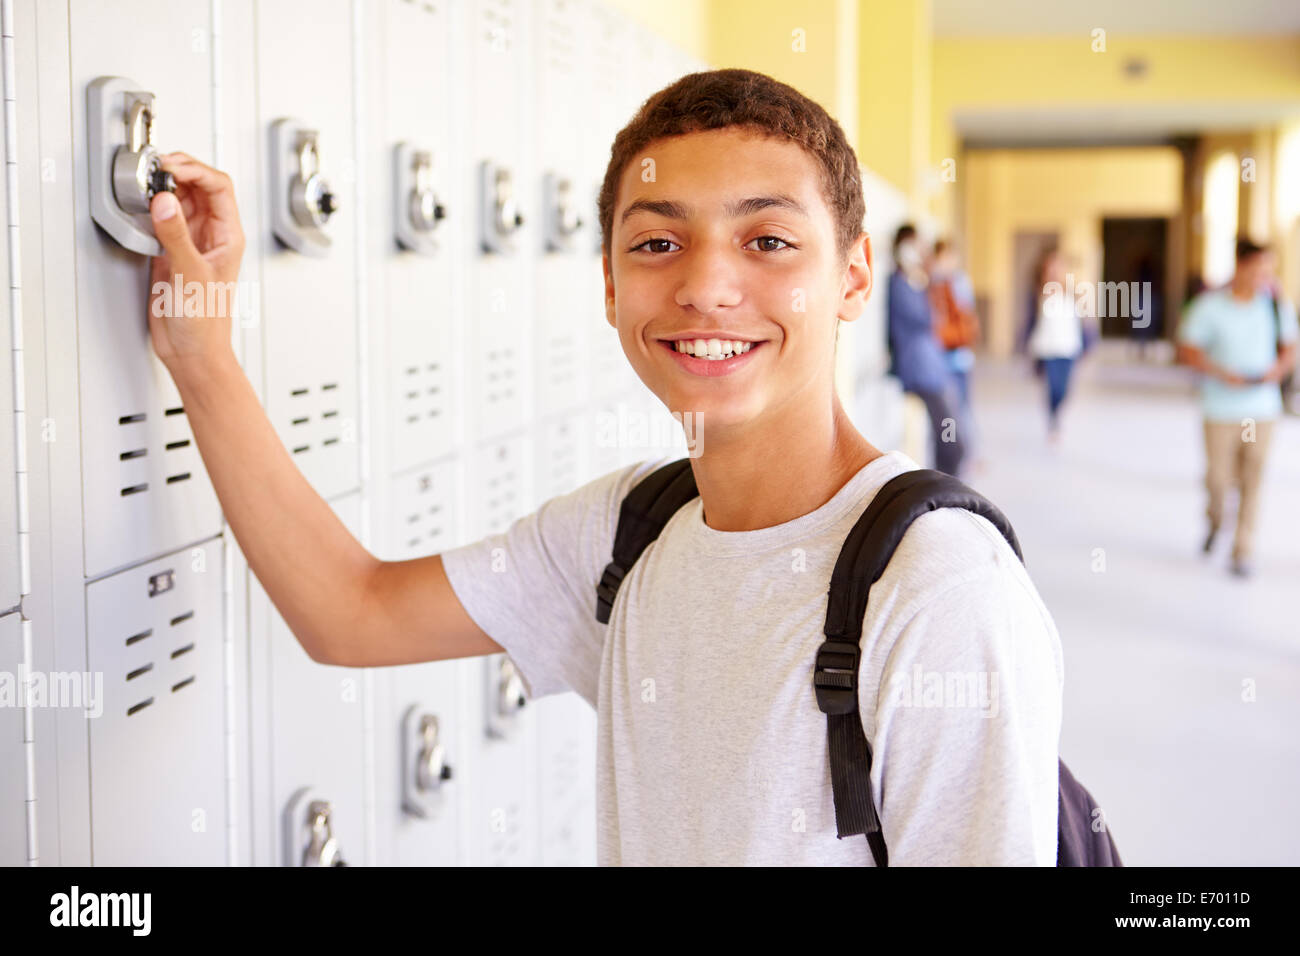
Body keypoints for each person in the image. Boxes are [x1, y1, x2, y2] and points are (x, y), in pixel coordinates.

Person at [146, 68, 1062, 865]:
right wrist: (201, 353)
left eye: (768, 240)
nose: (705, 285)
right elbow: (351, 611)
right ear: (612, 286)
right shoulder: (631, 530)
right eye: (657, 242)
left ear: (855, 277)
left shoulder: (939, 590)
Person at [1176, 237, 1298, 577]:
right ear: (1241, 266)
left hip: (1262, 409)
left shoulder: (1275, 306)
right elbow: (1187, 350)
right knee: (1218, 479)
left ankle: (1242, 548)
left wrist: (1278, 368)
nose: (1266, 275)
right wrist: (1219, 373)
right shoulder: (1209, 306)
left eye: (1270, 269)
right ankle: (1216, 521)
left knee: (1253, 478)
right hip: (1220, 410)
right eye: (1259, 268)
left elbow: (1290, 348)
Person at [886, 224, 967, 476]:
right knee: (951, 441)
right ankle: (946, 485)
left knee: (949, 435)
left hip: (932, 368)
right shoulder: (899, 282)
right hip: (919, 371)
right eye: (913, 246)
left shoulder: (916, 280)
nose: (919, 252)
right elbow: (929, 318)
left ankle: (946, 482)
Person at [927, 238, 980, 459]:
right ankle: (950, 454)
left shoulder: (958, 283)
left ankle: (966, 453)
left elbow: (966, 316)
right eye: (944, 257)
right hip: (940, 359)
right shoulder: (930, 283)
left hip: (959, 356)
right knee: (947, 413)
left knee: (963, 407)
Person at [1026, 247, 1086, 443]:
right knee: (1053, 387)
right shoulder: (1039, 292)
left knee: (1064, 389)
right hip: (1047, 348)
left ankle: (1057, 413)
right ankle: (1053, 420)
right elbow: (1031, 321)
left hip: (1068, 347)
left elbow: (1082, 320)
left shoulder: (1073, 290)